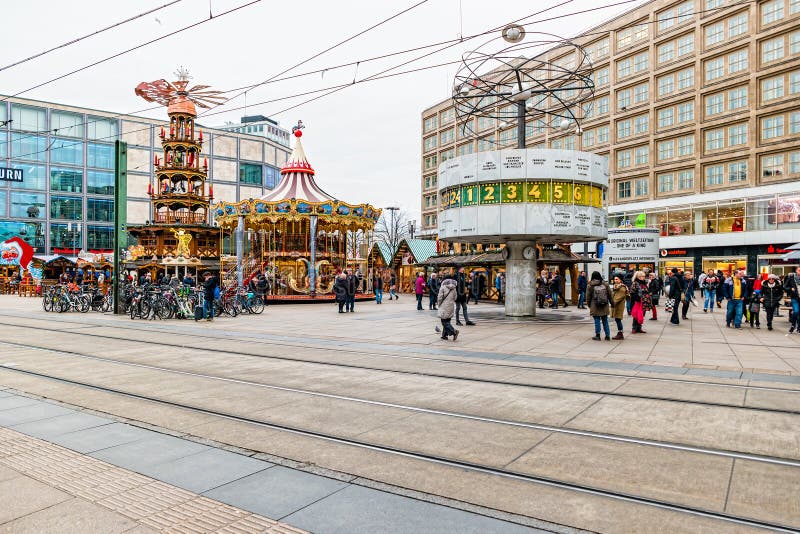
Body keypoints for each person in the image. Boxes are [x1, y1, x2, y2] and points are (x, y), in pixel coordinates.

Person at [587, 271, 611, 341]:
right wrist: (612, 303)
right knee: (605, 321)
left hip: (594, 305)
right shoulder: (605, 284)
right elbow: (610, 295)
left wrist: (589, 305)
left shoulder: (590, 285)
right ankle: (607, 336)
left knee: (597, 320)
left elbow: (588, 297)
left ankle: (598, 335)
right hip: (604, 305)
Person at [435, 276, 459, 341]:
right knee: (447, 321)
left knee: (444, 321)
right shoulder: (454, 288)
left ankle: (454, 331)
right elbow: (455, 297)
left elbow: (439, 298)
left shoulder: (443, 287)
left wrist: (439, 304)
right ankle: (444, 335)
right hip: (451, 306)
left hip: (444, 306)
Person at [610, 274, 628, 339]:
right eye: (614, 279)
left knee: (618, 319)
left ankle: (620, 333)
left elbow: (619, 297)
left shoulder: (622, 288)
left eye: (617, 279)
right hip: (615, 306)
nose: (615, 280)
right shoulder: (616, 286)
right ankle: (620, 333)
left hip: (619, 306)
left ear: (620, 280)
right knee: (617, 319)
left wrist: (612, 303)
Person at [785, 267, 800, 333]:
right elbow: (785, 286)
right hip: (795, 298)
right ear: (796, 271)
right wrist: (791, 289)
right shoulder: (791, 278)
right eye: (799, 270)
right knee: (796, 311)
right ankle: (793, 325)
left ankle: (798, 327)